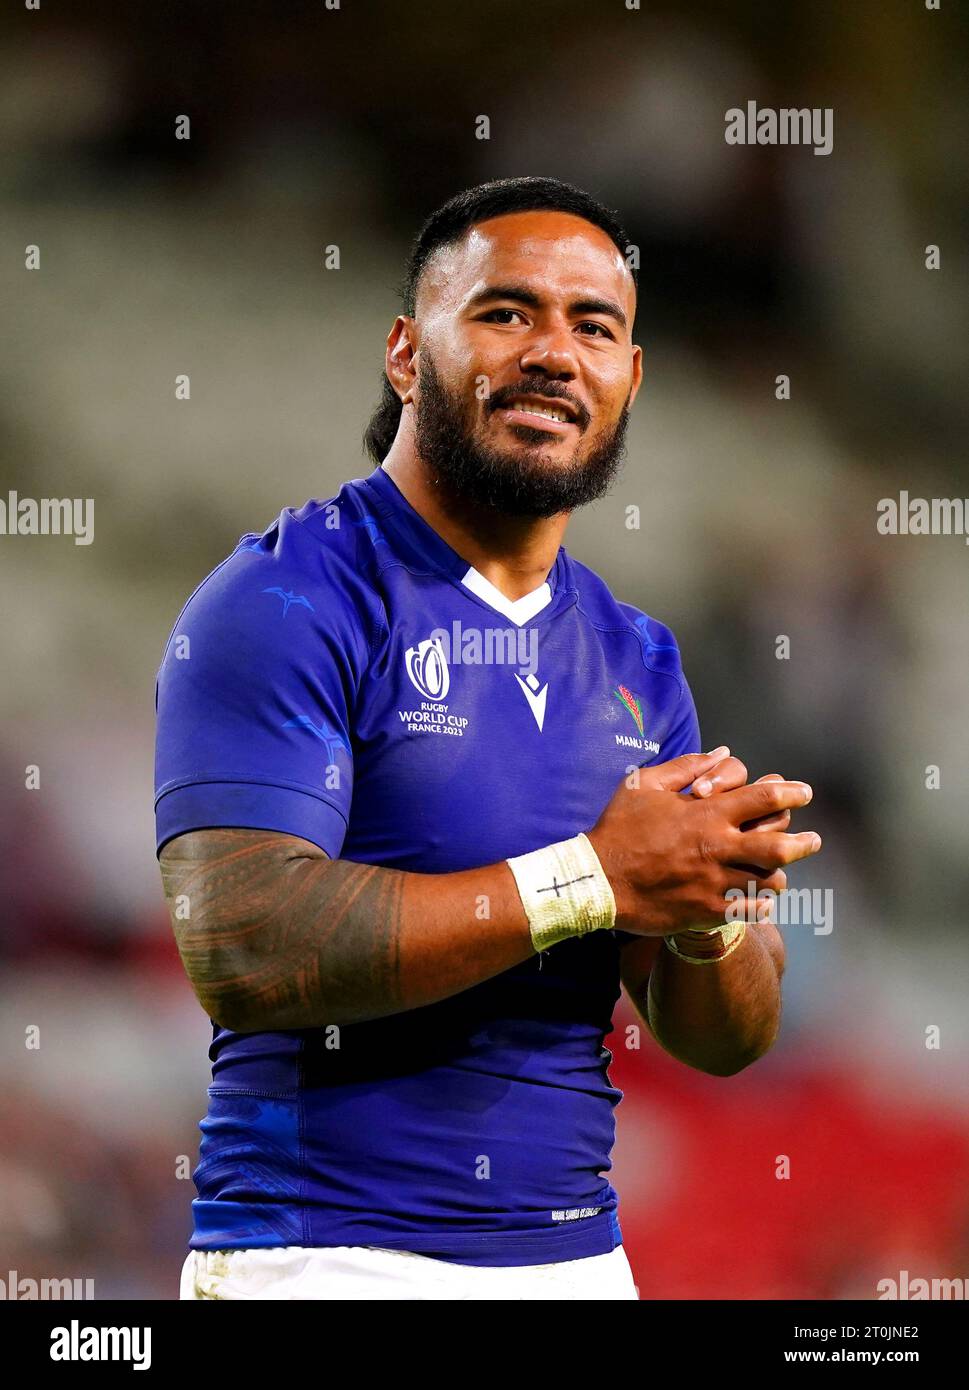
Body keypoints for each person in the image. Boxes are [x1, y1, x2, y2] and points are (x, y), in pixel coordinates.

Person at [155, 176, 821, 1300]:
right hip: (327, 1258)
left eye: (594, 326)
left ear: (629, 379)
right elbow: (244, 945)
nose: (556, 353)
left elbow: (721, 1039)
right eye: (508, 312)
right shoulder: (287, 596)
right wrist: (593, 878)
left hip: (580, 1263)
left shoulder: (639, 659)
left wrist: (707, 913)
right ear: (408, 356)